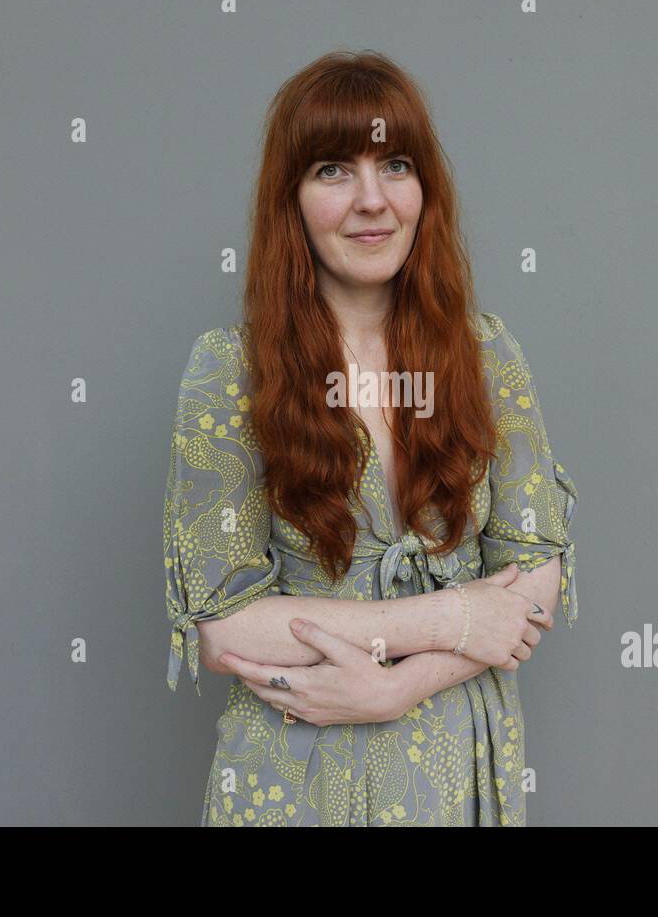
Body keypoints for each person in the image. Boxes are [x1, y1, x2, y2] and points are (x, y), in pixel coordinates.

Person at [164, 50, 578, 826]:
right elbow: (222, 628)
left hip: (456, 766)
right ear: (289, 198)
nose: (371, 201)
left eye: (394, 165)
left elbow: (534, 583)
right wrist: (451, 620)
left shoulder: (489, 357)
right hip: (295, 768)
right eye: (332, 170)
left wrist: (396, 684)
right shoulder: (227, 370)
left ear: (426, 189)